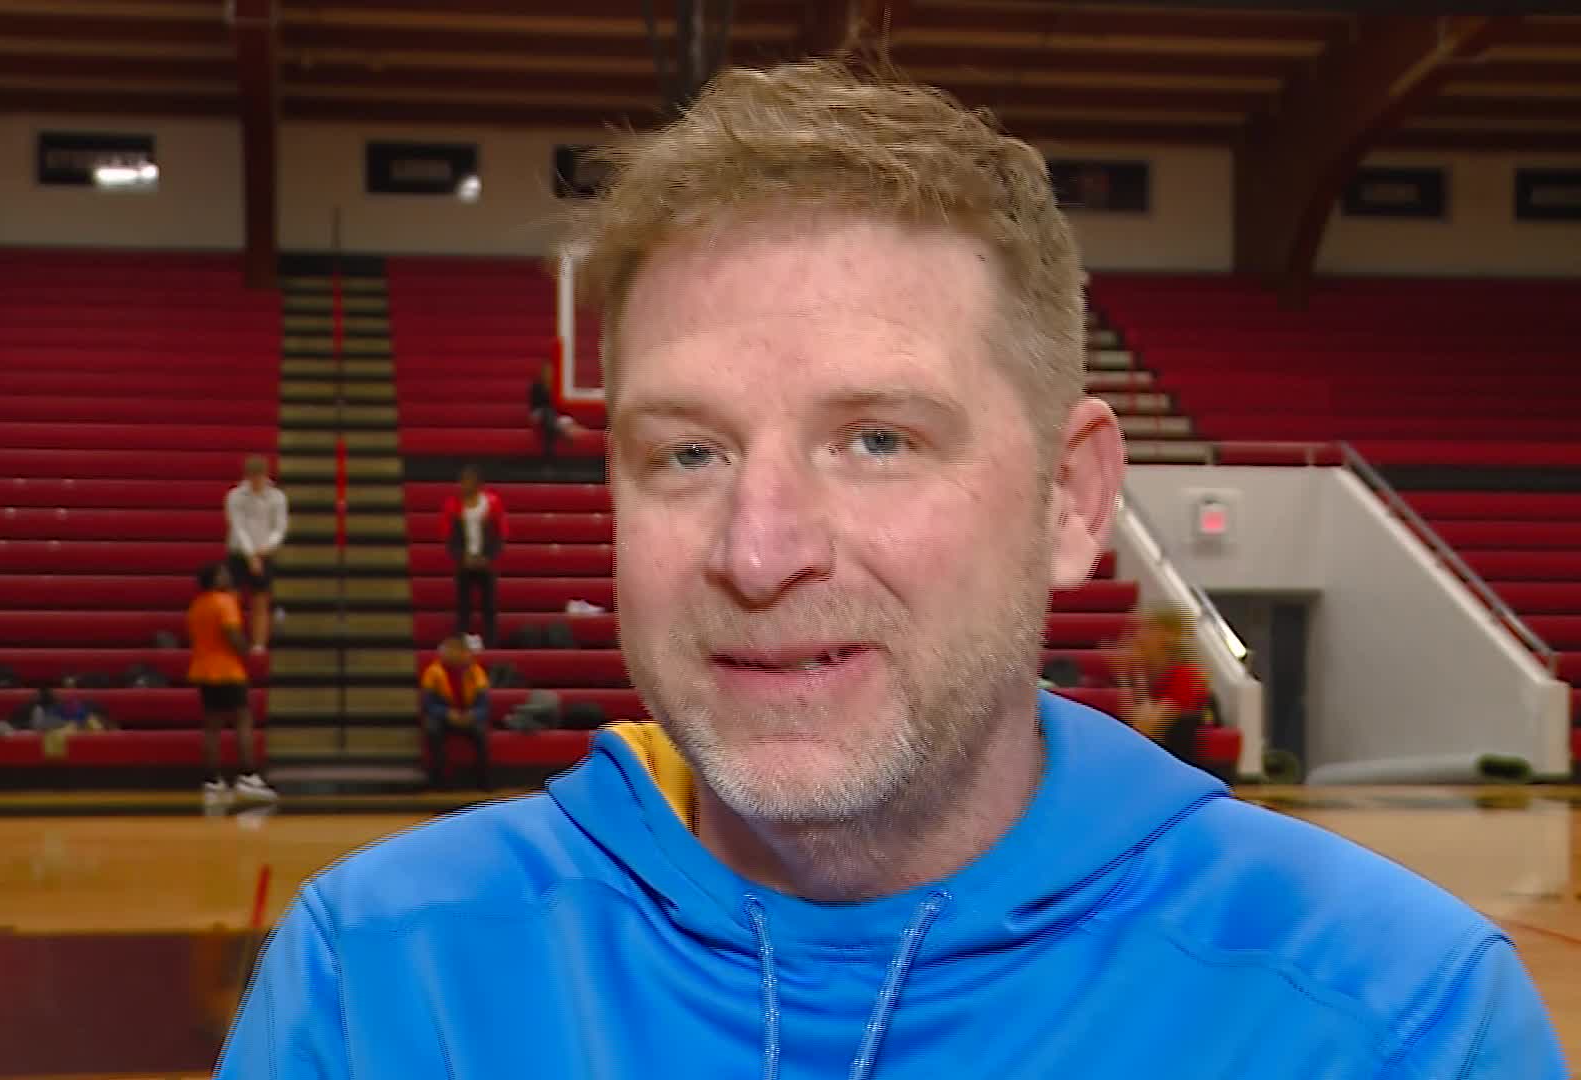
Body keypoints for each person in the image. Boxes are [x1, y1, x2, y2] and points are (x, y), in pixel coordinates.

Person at [217, 60, 1563, 1078]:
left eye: (877, 440)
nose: (759, 551)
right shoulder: (378, 985)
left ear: (1072, 500)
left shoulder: (1397, 1021)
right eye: (687, 452)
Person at [188, 562, 274, 804]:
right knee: (243, 720)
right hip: (227, 671)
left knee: (212, 727)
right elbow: (232, 634)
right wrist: (247, 650)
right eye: (222, 574)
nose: (227, 576)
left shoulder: (197, 605)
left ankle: (212, 780)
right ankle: (248, 776)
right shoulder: (224, 602)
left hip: (203, 670)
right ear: (214, 580)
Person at [1110, 607, 1213, 770]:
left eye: (1149, 628)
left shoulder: (1186, 676)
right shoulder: (1150, 675)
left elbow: (1145, 729)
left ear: (1169, 636)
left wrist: (1129, 676)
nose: (1139, 636)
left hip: (1179, 768)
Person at [225, 455, 287, 654]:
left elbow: (279, 528)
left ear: (265, 475)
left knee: (261, 600)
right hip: (239, 553)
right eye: (252, 477)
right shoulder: (235, 496)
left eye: (259, 477)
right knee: (232, 600)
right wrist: (251, 555)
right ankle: (233, 642)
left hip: (264, 553)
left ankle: (259, 645)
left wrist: (264, 550)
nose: (256, 481)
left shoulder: (277, 497)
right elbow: (238, 527)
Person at [442, 465, 505, 648]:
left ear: (478, 484)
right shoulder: (453, 506)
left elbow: (499, 534)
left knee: (489, 607)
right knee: (463, 608)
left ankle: (491, 644)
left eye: (468, 481)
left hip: (485, 563)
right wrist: (461, 557)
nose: (463, 485)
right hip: (465, 564)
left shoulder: (492, 504)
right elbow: (449, 537)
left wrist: (489, 558)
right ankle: (461, 643)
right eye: (462, 481)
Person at [418, 635, 491, 790]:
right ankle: (438, 781)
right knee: (432, 729)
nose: (457, 654)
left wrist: (473, 715)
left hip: (469, 717)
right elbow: (428, 704)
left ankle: (483, 781)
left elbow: (484, 706)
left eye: (461, 651)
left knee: (481, 732)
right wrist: (447, 714)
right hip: (444, 718)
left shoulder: (477, 673)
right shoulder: (433, 672)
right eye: (452, 650)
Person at [528, 361, 582, 460]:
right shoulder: (537, 386)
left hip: (553, 416)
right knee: (547, 412)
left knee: (550, 421)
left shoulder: (557, 386)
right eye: (547, 372)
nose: (549, 374)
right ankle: (561, 430)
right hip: (538, 413)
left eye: (551, 372)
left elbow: (560, 407)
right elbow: (536, 405)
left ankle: (549, 455)